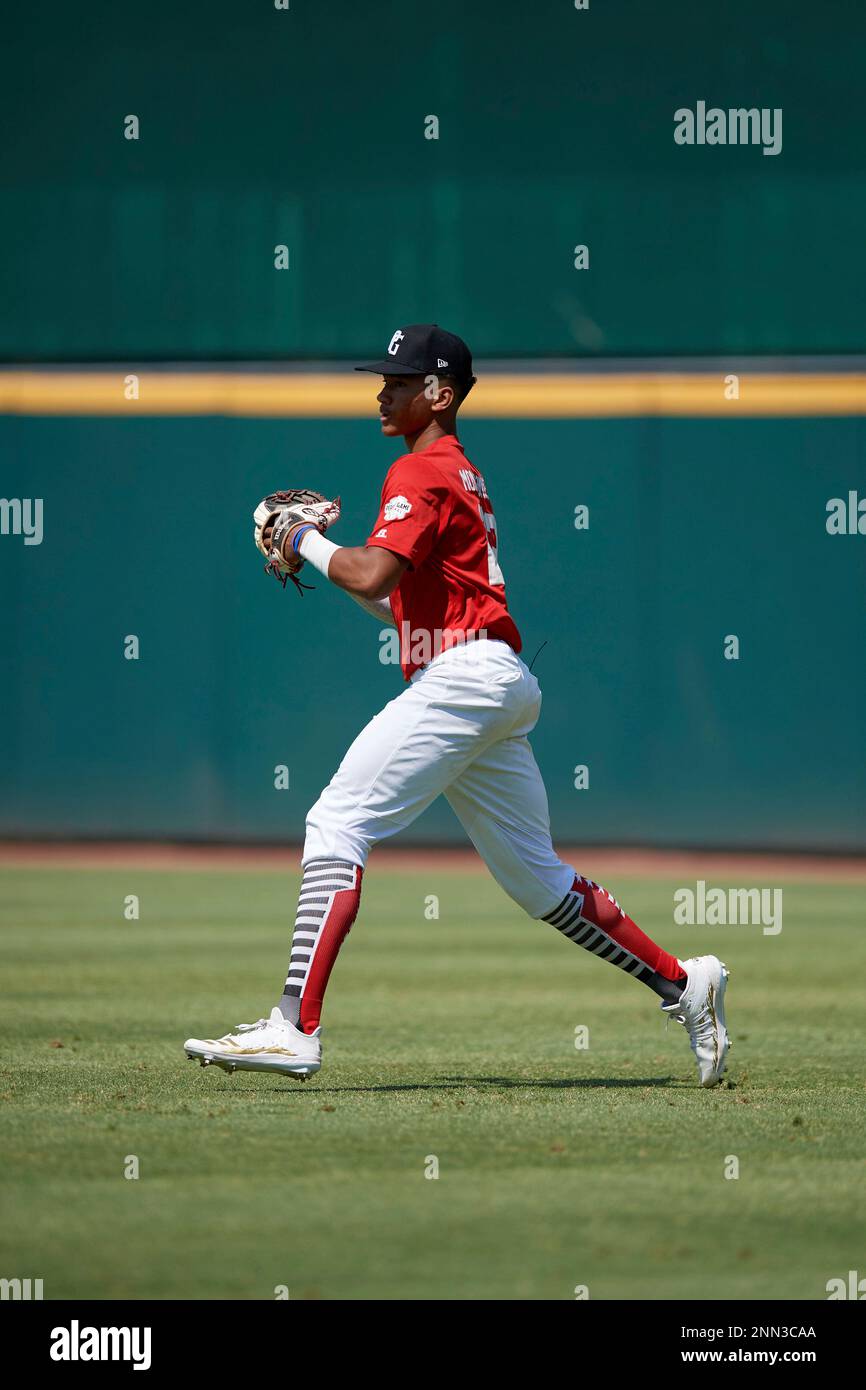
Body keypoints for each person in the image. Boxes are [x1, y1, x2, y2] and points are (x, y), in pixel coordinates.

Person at [184, 324, 730, 1086]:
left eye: (400, 381)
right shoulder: (458, 471)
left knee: (336, 822)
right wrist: (318, 551)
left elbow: (371, 575)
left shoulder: (418, 470)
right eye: (384, 378)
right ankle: (685, 981)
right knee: (539, 880)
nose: (383, 390)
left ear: (440, 394)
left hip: (465, 679)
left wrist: (303, 538)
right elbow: (400, 603)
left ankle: (293, 1028)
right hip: (487, 676)